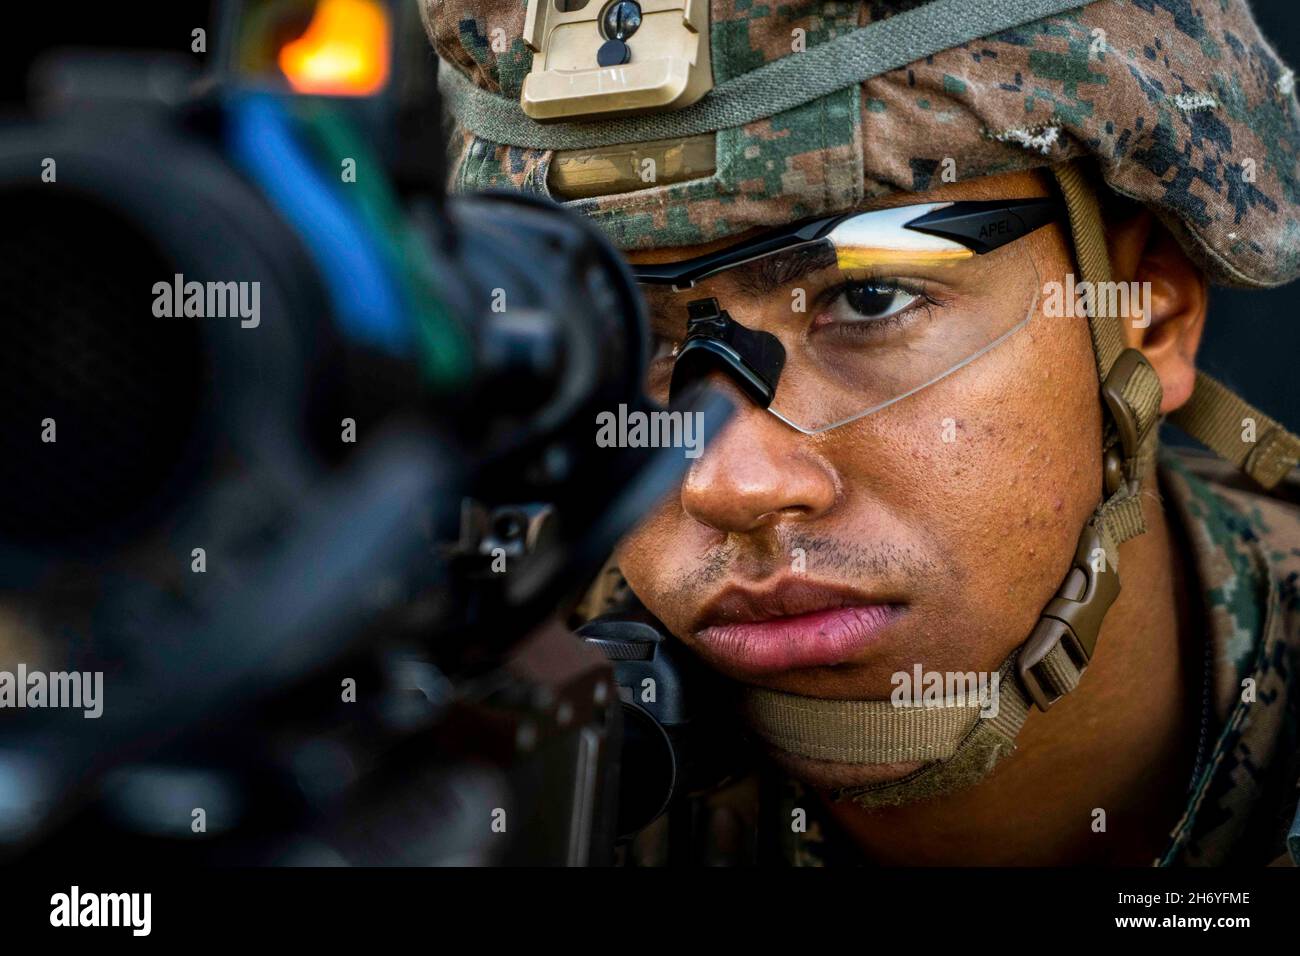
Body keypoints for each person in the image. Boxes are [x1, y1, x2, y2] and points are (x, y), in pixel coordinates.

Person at [425, 0, 1300, 865]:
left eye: (869, 299)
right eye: (624, 339)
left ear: (1148, 306)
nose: (731, 485)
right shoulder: (439, 769)